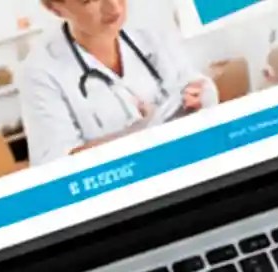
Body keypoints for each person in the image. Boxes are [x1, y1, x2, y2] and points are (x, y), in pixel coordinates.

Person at [20, 0, 219, 166]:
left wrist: (201, 95)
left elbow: (193, 82)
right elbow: (56, 166)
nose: (114, 7)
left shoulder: (151, 36)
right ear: (54, 7)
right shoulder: (41, 72)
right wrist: (142, 132)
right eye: (90, 1)